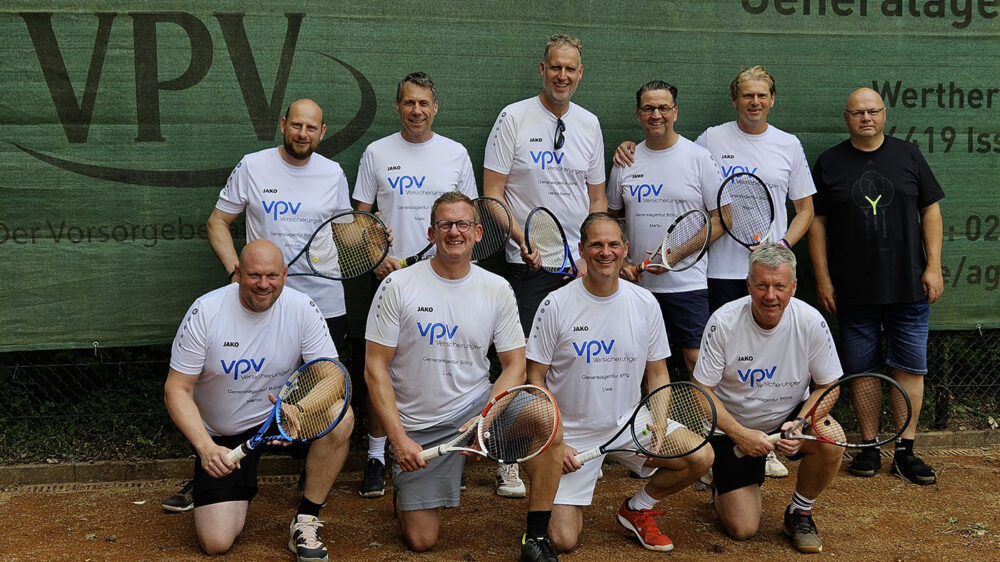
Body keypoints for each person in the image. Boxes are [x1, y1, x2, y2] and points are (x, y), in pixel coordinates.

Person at [614, 65, 816, 478]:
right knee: (664, 364)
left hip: (726, 277)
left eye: (761, 95)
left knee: (726, 362)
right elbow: (616, 214)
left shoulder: (778, 146)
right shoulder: (703, 142)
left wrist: (780, 246)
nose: (754, 102)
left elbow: (785, 212)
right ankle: (658, 446)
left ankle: (748, 443)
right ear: (735, 99)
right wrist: (634, 262)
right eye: (747, 95)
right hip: (703, 276)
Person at [363, 192, 564, 561]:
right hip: (420, 427)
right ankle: (406, 487)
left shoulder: (496, 288)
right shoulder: (398, 286)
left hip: (477, 408)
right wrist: (399, 439)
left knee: (544, 415)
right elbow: (375, 367)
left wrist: (486, 415)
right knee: (421, 541)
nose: (454, 232)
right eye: (445, 224)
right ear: (431, 233)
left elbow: (515, 365)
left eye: (462, 224)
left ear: (477, 233)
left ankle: (536, 535)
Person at [526, 213, 714, 553]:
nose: (605, 252)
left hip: (630, 424)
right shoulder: (555, 305)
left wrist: (658, 422)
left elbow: (657, 372)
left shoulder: (645, 303)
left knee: (700, 455)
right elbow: (534, 378)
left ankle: (638, 509)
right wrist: (555, 440)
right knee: (563, 540)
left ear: (625, 249)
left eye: (613, 244)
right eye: (596, 245)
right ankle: (548, 482)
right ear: (582, 250)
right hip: (572, 434)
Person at [164, 239, 354, 560]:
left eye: (272, 275)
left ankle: (306, 519)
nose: (264, 284)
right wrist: (206, 448)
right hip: (225, 437)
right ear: (238, 273)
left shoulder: (302, 307)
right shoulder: (205, 311)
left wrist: (299, 409)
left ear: (285, 274)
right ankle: (213, 485)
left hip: (284, 419)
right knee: (216, 542)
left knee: (341, 416)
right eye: (254, 275)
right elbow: (176, 389)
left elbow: (333, 376)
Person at [484, 33, 607, 497]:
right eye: (555, 67)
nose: (562, 75)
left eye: (570, 69)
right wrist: (522, 239)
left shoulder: (589, 124)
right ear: (542, 69)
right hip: (527, 265)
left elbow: (597, 198)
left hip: (578, 268)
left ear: (581, 73)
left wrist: (588, 254)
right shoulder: (513, 118)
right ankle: (508, 457)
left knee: (570, 360)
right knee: (521, 363)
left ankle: (566, 447)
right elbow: (492, 193)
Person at [808, 87, 944, 485]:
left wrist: (933, 266)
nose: (866, 118)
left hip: (909, 286)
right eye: (857, 112)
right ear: (846, 118)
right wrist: (823, 278)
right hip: (853, 289)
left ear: (884, 114)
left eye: (873, 111)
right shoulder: (829, 162)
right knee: (862, 370)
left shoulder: (909, 155)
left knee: (910, 367)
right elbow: (816, 223)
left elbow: (931, 211)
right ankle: (868, 447)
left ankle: (904, 450)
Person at [352, 72, 478, 499]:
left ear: (435, 108)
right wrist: (376, 257)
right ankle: (376, 455)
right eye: (409, 103)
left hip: (446, 281)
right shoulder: (376, 152)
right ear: (398, 106)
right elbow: (360, 219)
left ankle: (446, 453)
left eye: (424, 103)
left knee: (440, 366)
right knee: (382, 370)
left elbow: (469, 218)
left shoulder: (455, 154)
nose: (417, 110)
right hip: (391, 282)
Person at [691, 243, 844, 553]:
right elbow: (701, 391)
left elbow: (829, 386)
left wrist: (800, 424)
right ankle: (721, 481)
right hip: (733, 429)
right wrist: (740, 434)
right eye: (762, 285)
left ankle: (800, 512)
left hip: (789, 420)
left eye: (779, 286)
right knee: (743, 529)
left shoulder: (810, 321)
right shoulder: (724, 322)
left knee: (832, 437)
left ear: (793, 287)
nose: (770, 295)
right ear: (749, 285)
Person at [607, 80, 723, 377]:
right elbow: (611, 219)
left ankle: (703, 410)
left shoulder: (699, 158)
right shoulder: (625, 161)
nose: (656, 115)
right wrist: (622, 262)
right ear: (638, 114)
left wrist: (673, 256)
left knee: (696, 362)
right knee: (643, 365)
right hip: (637, 285)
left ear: (675, 112)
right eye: (648, 108)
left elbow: (723, 220)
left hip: (687, 284)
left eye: (663, 108)